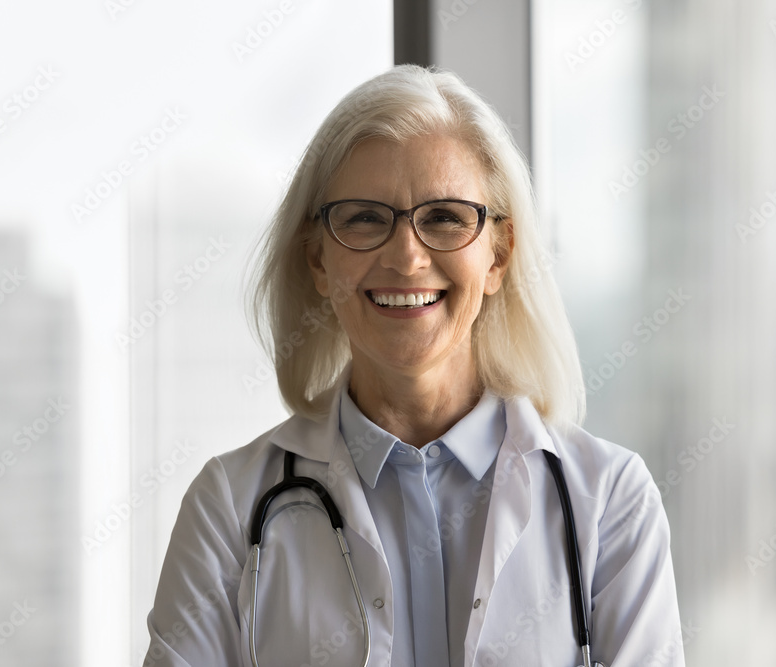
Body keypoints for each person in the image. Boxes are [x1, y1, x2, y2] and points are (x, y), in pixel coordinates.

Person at [143, 65, 685, 667]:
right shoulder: (228, 508)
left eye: (446, 218)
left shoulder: (608, 501)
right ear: (318, 261)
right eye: (365, 219)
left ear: (499, 255)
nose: (406, 258)